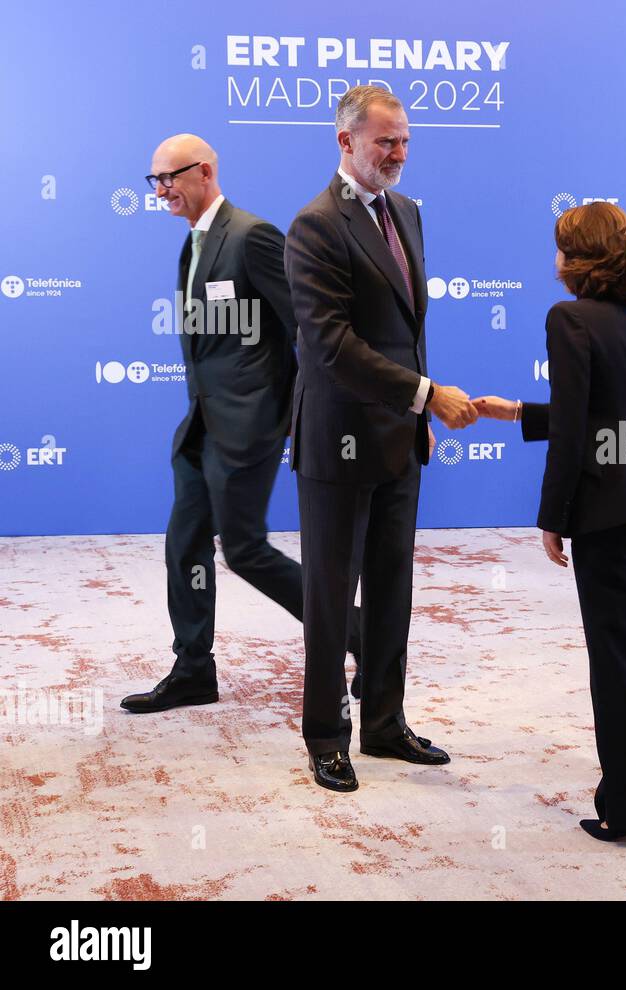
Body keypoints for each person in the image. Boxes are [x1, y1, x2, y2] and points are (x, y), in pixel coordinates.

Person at [480, 202, 626, 849]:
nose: (554, 258)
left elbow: (580, 430)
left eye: (559, 246)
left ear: (579, 256)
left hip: (610, 509)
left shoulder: (566, 316)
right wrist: (520, 412)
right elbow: (613, 414)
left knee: (614, 659)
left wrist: (552, 517)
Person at [121, 134, 360, 714]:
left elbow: (304, 329)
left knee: (246, 549)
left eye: (169, 177)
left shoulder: (252, 236)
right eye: (153, 181)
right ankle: (194, 669)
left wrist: (298, 413)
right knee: (186, 544)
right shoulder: (194, 243)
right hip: (202, 425)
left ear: (203, 171)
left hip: (249, 424)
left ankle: (363, 636)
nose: (160, 190)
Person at [284, 86, 477, 792]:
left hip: (400, 435)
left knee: (393, 586)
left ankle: (386, 725)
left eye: (404, 140)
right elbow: (331, 345)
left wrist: (417, 416)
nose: (397, 154)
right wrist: (425, 395)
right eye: (384, 141)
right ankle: (326, 736)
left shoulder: (408, 213)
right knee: (331, 599)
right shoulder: (314, 225)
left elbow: (410, 330)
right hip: (337, 439)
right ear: (345, 142)